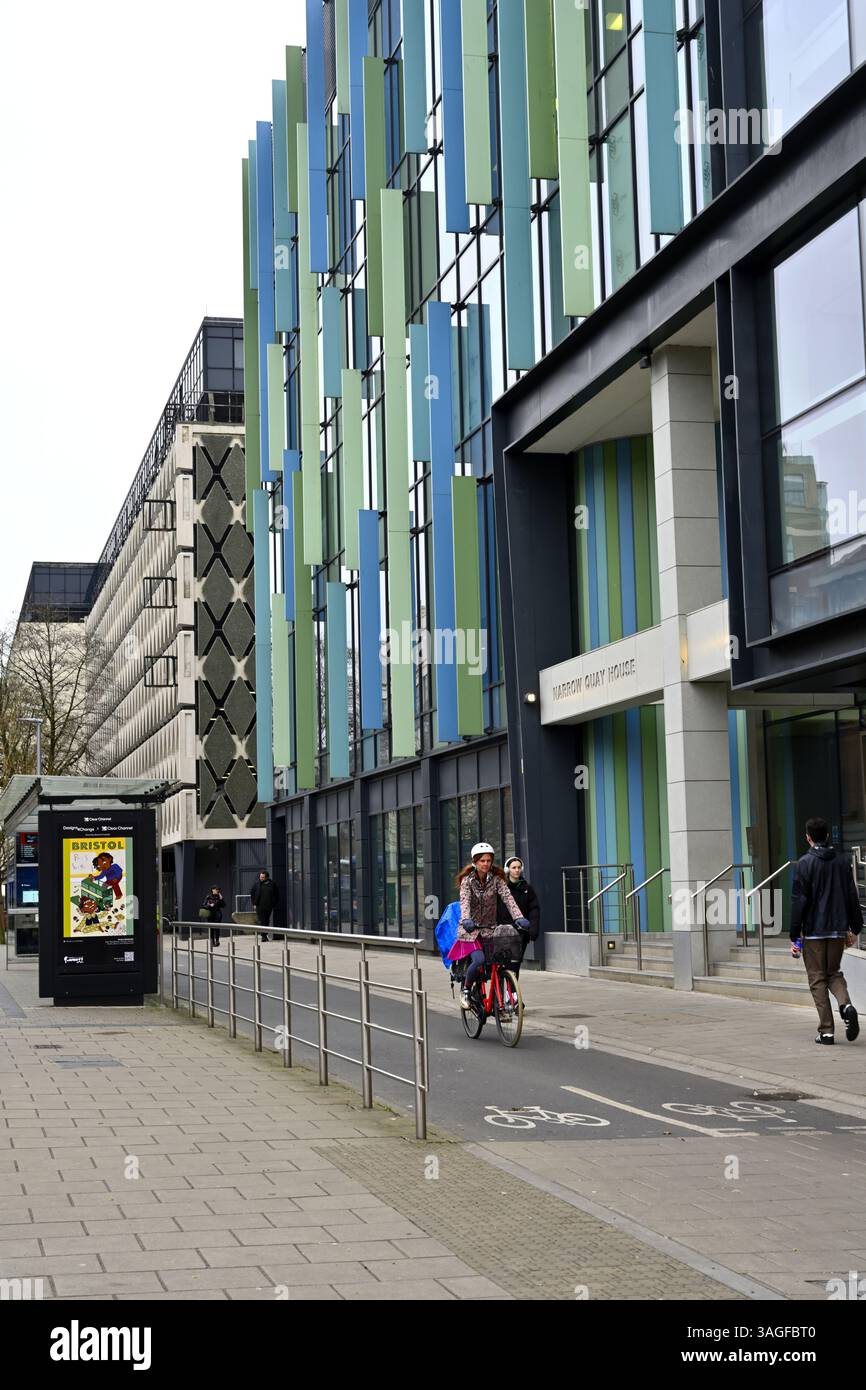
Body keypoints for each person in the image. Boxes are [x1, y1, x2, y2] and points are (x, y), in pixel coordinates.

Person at [789, 817, 861, 1045]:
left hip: (814, 932)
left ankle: (827, 1031)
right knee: (834, 973)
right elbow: (851, 894)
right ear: (827, 836)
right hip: (837, 929)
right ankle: (846, 1005)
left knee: (817, 979)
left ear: (808, 837)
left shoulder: (804, 864)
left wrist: (794, 932)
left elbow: (799, 900)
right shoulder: (841, 862)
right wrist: (856, 925)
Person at [453, 842, 530, 1009]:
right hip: (470, 930)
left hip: (490, 929)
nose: (486, 864)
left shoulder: (497, 880)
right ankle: (466, 991)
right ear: (475, 862)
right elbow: (464, 902)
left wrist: (519, 917)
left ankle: (507, 998)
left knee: (502, 960)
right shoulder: (467, 881)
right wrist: (466, 919)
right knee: (479, 960)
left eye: (488, 860)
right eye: (482, 861)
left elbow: (509, 899)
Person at [497, 856, 540, 974]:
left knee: (515, 964)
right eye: (513, 867)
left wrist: (533, 929)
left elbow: (534, 909)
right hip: (503, 931)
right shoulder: (501, 888)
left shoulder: (527, 888)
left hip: (521, 932)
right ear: (507, 870)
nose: (517, 870)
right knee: (504, 963)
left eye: (519, 867)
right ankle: (501, 987)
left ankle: (512, 991)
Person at [251, 870, 278, 942]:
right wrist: (254, 903)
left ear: (267, 877)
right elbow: (252, 893)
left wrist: (274, 903)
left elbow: (276, 894)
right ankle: (263, 936)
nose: (261, 878)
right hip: (260, 906)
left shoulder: (272, 884)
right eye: (260, 877)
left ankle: (265, 935)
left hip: (269, 906)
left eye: (262, 877)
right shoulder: (257, 884)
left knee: (266, 920)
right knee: (262, 920)